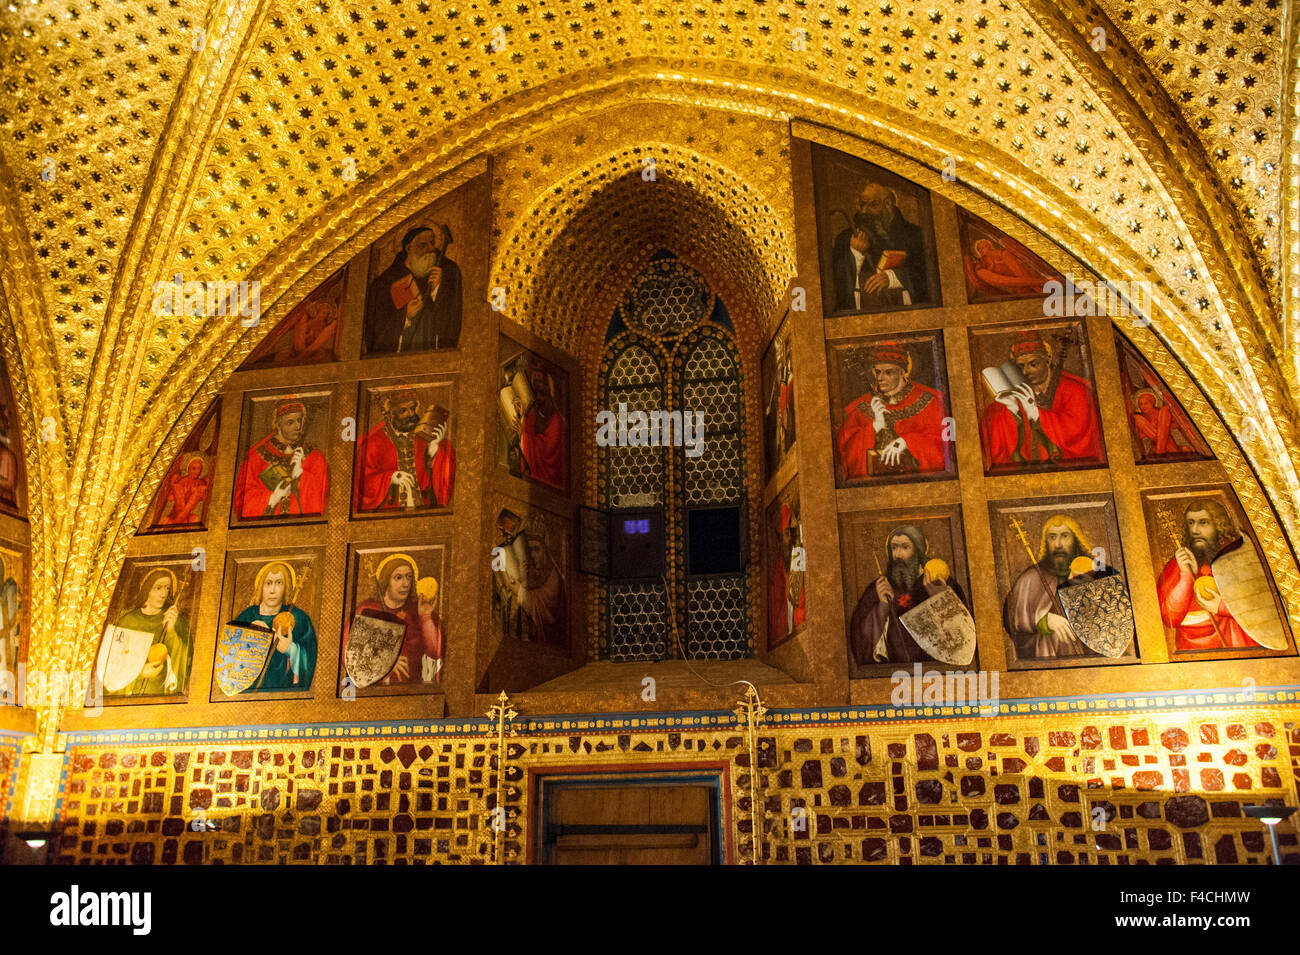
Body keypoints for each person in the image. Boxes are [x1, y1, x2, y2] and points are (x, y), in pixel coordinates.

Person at [979, 331, 1104, 467]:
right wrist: (1011, 409)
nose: (1025, 372)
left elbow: (1076, 431)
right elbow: (991, 432)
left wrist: (1035, 413)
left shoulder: (1076, 391)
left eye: (1033, 364)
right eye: (1020, 366)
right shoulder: (1020, 390)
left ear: (1047, 361)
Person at [848, 525, 968, 665]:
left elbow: (965, 634)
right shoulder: (879, 587)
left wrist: (942, 599)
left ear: (918, 551)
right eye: (894, 548)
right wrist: (882, 608)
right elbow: (860, 640)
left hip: (936, 669)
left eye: (905, 547)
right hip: (894, 672)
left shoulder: (939, 583)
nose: (897, 555)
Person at [1157, 501, 1265, 651]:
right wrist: (1186, 576)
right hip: (1192, 649)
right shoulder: (1181, 561)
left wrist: (1221, 607)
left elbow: (1262, 609)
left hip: (1236, 641)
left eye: (1203, 522)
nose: (1195, 530)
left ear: (1218, 525)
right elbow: (1170, 619)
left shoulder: (1238, 557)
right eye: (1191, 523)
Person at [837, 342, 949, 479]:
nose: (880, 378)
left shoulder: (932, 402)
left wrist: (907, 442)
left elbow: (946, 443)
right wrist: (875, 426)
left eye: (888, 372)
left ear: (903, 372)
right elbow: (845, 449)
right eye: (878, 372)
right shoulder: (861, 407)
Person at [1003, 515, 1097, 659]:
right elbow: (1014, 620)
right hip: (1049, 658)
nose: (1058, 544)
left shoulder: (1092, 575)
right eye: (1052, 537)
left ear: (1076, 540)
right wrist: (1045, 621)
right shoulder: (1031, 578)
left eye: (1064, 536)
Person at [343, 554, 443, 684]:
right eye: (398, 577)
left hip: (412, 688)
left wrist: (426, 617)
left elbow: (435, 653)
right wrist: (387, 664)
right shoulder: (368, 610)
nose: (405, 584)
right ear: (386, 580)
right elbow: (349, 655)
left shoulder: (417, 610)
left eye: (409, 577)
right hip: (375, 688)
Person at [364, 225, 462, 353]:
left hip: (432, 350)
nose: (430, 249)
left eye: (432, 243)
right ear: (409, 248)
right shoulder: (386, 282)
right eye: (423, 245)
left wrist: (437, 289)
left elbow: (452, 318)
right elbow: (376, 329)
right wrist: (404, 317)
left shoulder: (446, 272)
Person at [831, 182, 927, 311]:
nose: (864, 211)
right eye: (862, 204)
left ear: (888, 204)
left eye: (873, 205)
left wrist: (892, 277)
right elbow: (838, 287)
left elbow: (925, 277)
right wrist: (855, 254)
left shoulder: (914, 234)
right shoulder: (845, 238)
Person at [354, 389, 455, 511]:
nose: (411, 414)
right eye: (403, 411)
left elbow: (432, 483)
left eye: (412, 408)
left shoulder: (422, 439)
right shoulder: (373, 443)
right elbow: (362, 485)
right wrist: (391, 478)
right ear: (391, 413)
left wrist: (434, 451)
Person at [233, 399, 329, 518]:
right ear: (277, 424)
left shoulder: (315, 457)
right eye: (290, 422)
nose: (298, 426)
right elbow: (243, 503)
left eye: (299, 420)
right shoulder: (256, 459)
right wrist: (273, 497)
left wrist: (301, 476)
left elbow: (322, 501)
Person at [104, 568, 191, 697]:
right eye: (158, 588)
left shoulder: (175, 619)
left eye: (167, 588)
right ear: (147, 589)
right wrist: (140, 673)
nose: (163, 594)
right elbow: (112, 663)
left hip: (160, 695)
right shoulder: (127, 621)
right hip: (130, 691)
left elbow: (184, 660)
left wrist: (171, 630)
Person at [232, 561, 316, 691]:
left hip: (283, 691)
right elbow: (229, 656)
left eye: (279, 583)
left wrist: (291, 650)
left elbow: (310, 657)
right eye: (268, 583)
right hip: (249, 690)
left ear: (286, 586)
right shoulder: (246, 617)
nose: (272, 590)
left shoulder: (298, 618)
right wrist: (250, 637)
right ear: (261, 586)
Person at [508, 362, 568, 492]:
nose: (539, 395)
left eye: (542, 387)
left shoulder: (558, 422)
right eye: (535, 388)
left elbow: (547, 451)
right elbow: (527, 429)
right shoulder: (533, 413)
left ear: (549, 391)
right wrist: (521, 414)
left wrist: (523, 436)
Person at [963, 235, 1055, 297]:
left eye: (983, 247)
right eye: (979, 249)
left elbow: (1021, 271)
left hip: (1035, 280)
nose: (981, 250)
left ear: (990, 246)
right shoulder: (981, 268)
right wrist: (1042, 282)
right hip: (1023, 289)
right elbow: (1005, 281)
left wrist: (1042, 281)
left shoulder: (1004, 253)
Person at [769, 502, 806, 642]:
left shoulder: (797, 554)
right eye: (786, 534)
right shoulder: (780, 566)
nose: (790, 538)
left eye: (791, 532)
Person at [1131, 389, 1192, 457]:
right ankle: (1162, 451)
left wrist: (1162, 427)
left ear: (1152, 403)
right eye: (1140, 404)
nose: (1143, 406)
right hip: (1155, 444)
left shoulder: (1162, 412)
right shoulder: (1141, 418)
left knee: (1164, 412)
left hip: (1168, 440)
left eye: (1146, 403)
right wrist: (1152, 429)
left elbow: (1177, 424)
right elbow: (1140, 435)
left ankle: (1162, 451)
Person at [156, 456, 211, 526]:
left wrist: (195, 492)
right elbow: (170, 498)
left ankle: (179, 520)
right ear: (188, 469)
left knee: (194, 519)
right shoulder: (182, 481)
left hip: (188, 515)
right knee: (177, 487)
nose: (196, 471)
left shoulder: (200, 483)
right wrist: (182, 492)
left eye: (199, 469)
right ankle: (180, 520)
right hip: (175, 513)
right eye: (194, 468)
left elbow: (203, 497)